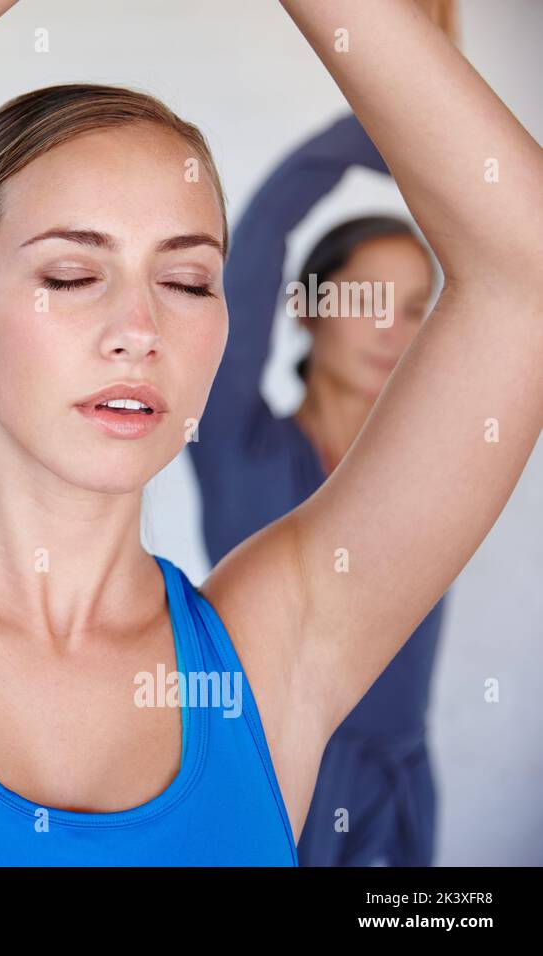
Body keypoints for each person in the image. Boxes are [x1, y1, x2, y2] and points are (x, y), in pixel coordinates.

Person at [0, 0, 543, 864]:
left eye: (189, 281)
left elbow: (526, 268)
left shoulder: (279, 656)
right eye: (75, 272)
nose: (139, 327)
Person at [193, 113, 445, 866]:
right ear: (304, 307)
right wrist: (395, 113)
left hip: (394, 804)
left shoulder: (434, 456)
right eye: (365, 300)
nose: (391, 332)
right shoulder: (238, 441)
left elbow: (513, 281)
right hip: (261, 784)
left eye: (414, 309)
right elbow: (261, 239)